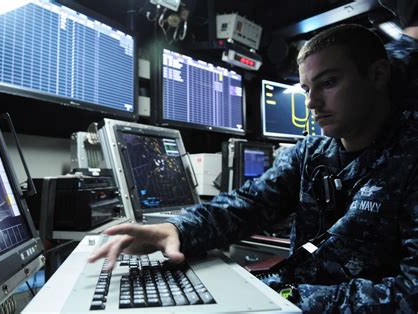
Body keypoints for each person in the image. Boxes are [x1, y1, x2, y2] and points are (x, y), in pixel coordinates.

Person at [88, 24, 418, 312]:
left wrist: (285, 295)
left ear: (378, 75)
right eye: (306, 88)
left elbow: (410, 296)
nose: (312, 102)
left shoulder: (410, 157)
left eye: (328, 83)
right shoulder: (310, 154)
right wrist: (177, 230)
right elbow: (249, 204)